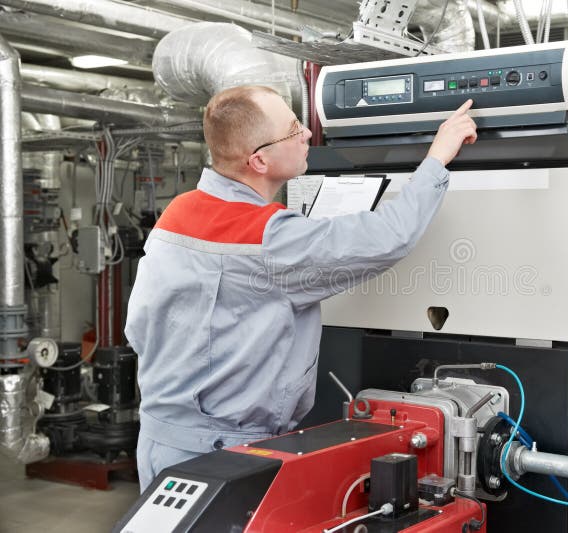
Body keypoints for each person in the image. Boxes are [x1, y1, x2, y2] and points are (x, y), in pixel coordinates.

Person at [125, 85, 478, 491]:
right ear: (259, 160)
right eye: (294, 129)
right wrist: (437, 158)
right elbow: (388, 236)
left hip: (159, 440)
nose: (308, 134)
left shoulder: (176, 213)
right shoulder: (269, 237)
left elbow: (139, 328)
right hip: (225, 453)